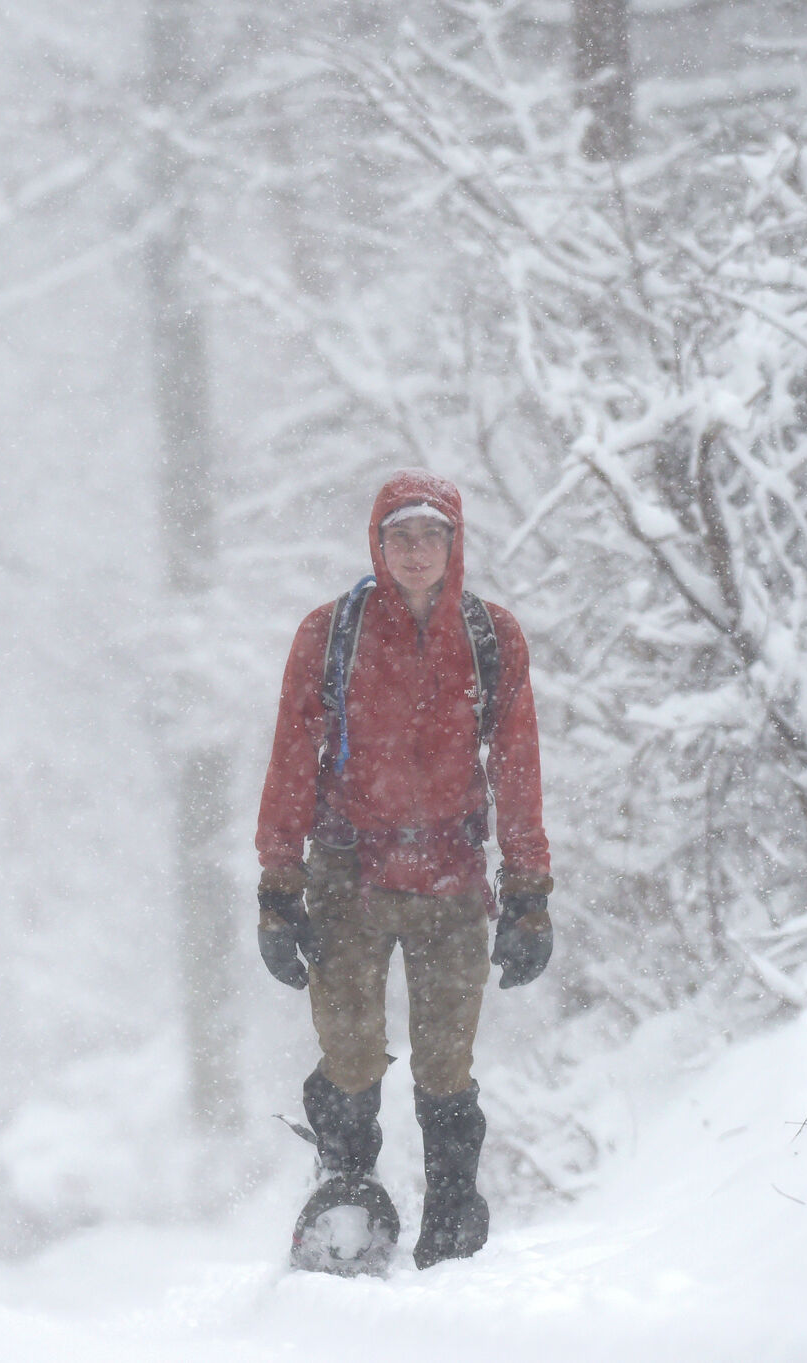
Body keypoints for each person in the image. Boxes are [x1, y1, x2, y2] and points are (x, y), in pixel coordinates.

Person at [255, 469, 553, 1272]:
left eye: (432, 536)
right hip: (348, 876)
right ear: (377, 544)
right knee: (350, 1052)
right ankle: (347, 1193)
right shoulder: (330, 635)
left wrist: (529, 891)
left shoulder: (492, 637)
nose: (416, 551)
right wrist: (278, 886)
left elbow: (516, 765)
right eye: (401, 535)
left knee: (446, 1060)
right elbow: (291, 756)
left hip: (453, 880)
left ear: (454, 546)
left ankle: (453, 1213)